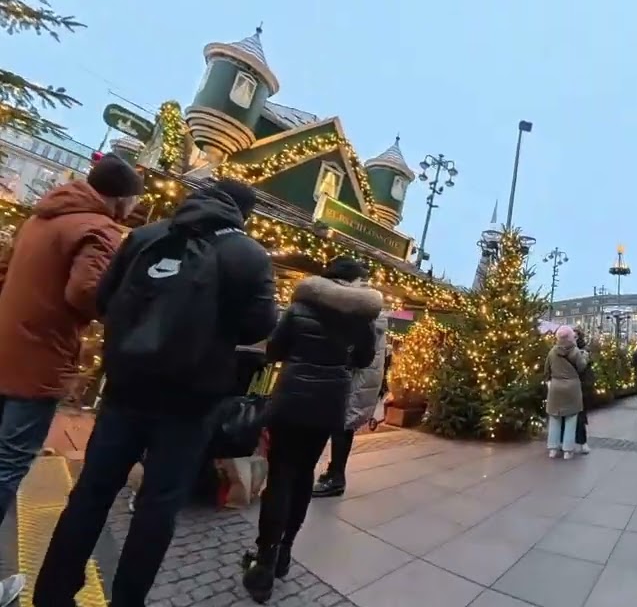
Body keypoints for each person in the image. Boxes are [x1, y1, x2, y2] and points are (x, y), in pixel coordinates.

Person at [34, 179, 278, 607]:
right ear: (244, 214)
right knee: (157, 508)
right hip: (191, 403)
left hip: (125, 392)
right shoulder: (248, 255)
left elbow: (106, 299)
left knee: (91, 493)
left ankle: (52, 593)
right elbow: (261, 326)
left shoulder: (148, 235)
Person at [0, 156, 142, 603]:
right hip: (39, 357)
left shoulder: (43, 216)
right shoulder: (100, 230)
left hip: (6, 344)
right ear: (120, 199)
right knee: (8, 463)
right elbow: (84, 291)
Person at [243, 257, 381, 602]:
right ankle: (286, 551)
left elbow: (274, 349)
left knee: (280, 475)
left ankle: (264, 562)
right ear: (351, 282)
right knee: (305, 473)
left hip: (291, 399)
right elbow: (365, 359)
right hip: (328, 402)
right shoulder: (360, 317)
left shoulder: (301, 306)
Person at [313, 308, 391, 499]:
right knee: (343, 427)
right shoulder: (373, 319)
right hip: (361, 381)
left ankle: (336, 477)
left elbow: (360, 355)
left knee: (342, 427)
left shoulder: (366, 319)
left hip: (355, 381)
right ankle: (334, 472)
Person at [544, 325, 586, 459]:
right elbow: (582, 367)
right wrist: (586, 358)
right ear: (570, 337)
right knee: (571, 418)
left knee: (555, 417)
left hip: (556, 387)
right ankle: (567, 450)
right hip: (572, 387)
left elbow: (546, 371)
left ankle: (553, 449)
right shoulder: (575, 352)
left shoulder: (552, 352)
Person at [573, 329, 594, 453]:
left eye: (575, 337)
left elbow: (583, 367)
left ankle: (582, 442)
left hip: (581, 386)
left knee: (580, 415)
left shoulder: (583, 351)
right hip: (569, 386)